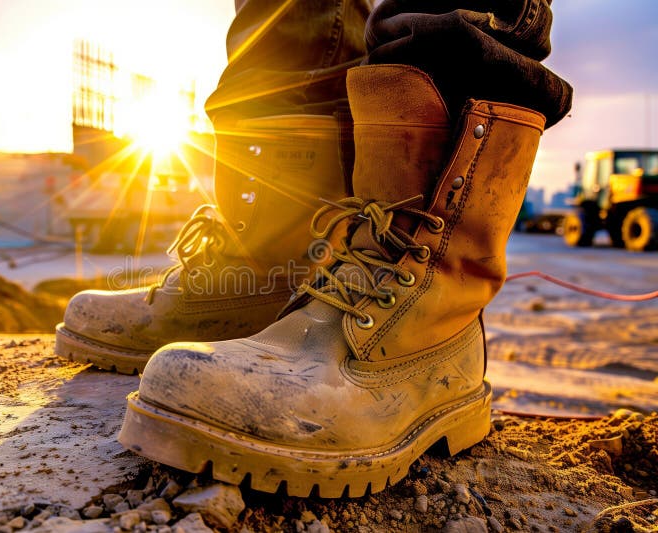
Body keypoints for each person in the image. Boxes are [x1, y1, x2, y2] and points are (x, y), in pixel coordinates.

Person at [60, 0, 572, 497]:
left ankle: (432, 338)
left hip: (406, 324)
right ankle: (265, 275)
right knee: (283, 34)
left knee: (446, 22)